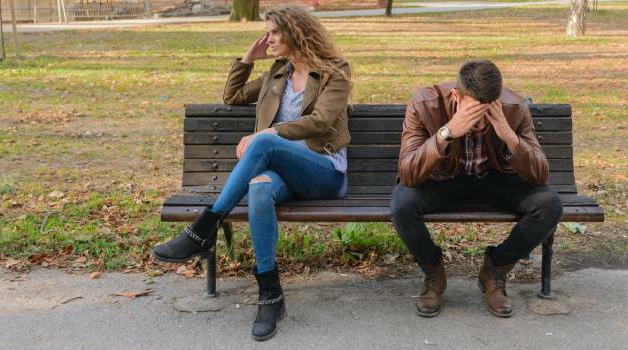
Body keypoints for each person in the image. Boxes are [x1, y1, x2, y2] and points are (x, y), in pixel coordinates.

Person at [152, 5, 351, 341]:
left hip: (323, 171)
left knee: (264, 143)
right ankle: (270, 295)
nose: (268, 39)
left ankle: (205, 227)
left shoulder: (335, 71)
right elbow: (231, 97)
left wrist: (268, 134)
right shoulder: (276, 74)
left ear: (295, 32)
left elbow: (321, 122)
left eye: (274, 33)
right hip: (281, 172)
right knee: (259, 189)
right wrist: (247, 59)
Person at [390, 60, 562, 318]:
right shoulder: (425, 104)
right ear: (456, 96)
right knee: (402, 205)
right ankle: (433, 272)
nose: (479, 123)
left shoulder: (514, 108)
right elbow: (408, 174)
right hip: (442, 180)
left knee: (549, 205)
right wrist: (446, 134)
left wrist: (507, 135)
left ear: (497, 101)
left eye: (486, 114)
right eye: (472, 113)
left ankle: (495, 270)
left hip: (495, 179)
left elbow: (539, 175)